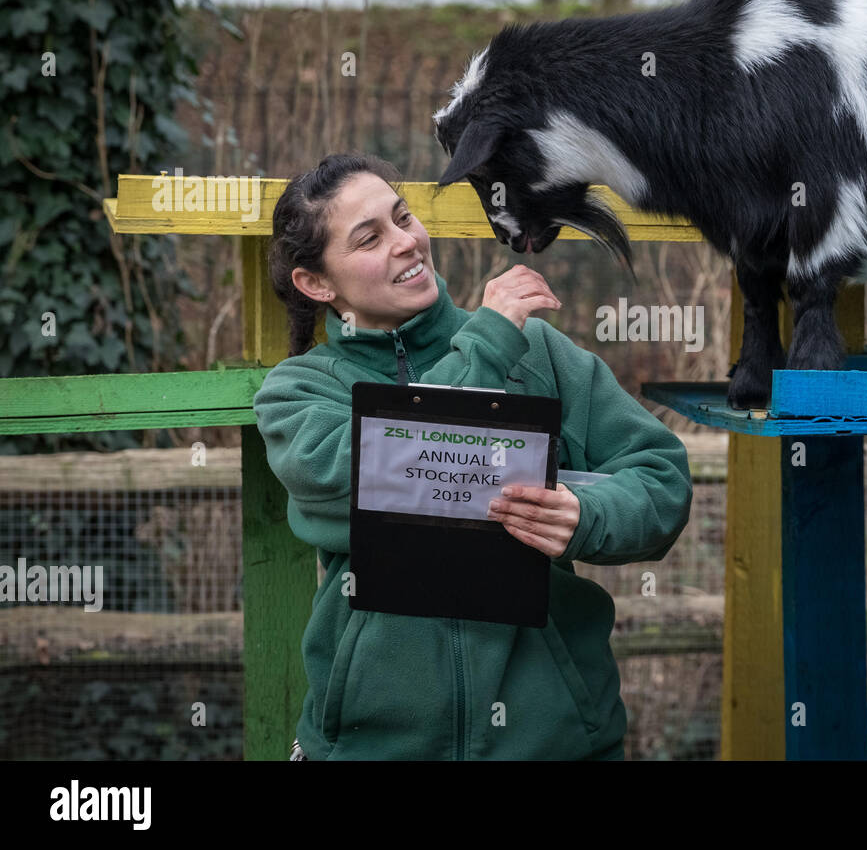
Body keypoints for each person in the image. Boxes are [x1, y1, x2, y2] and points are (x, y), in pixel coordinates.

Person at [252, 152, 694, 760]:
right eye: (370, 238)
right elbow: (393, 468)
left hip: (552, 742)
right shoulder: (301, 392)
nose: (407, 242)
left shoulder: (536, 350)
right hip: (374, 746)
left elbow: (660, 477)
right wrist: (484, 348)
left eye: (403, 218)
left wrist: (585, 515)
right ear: (317, 283)